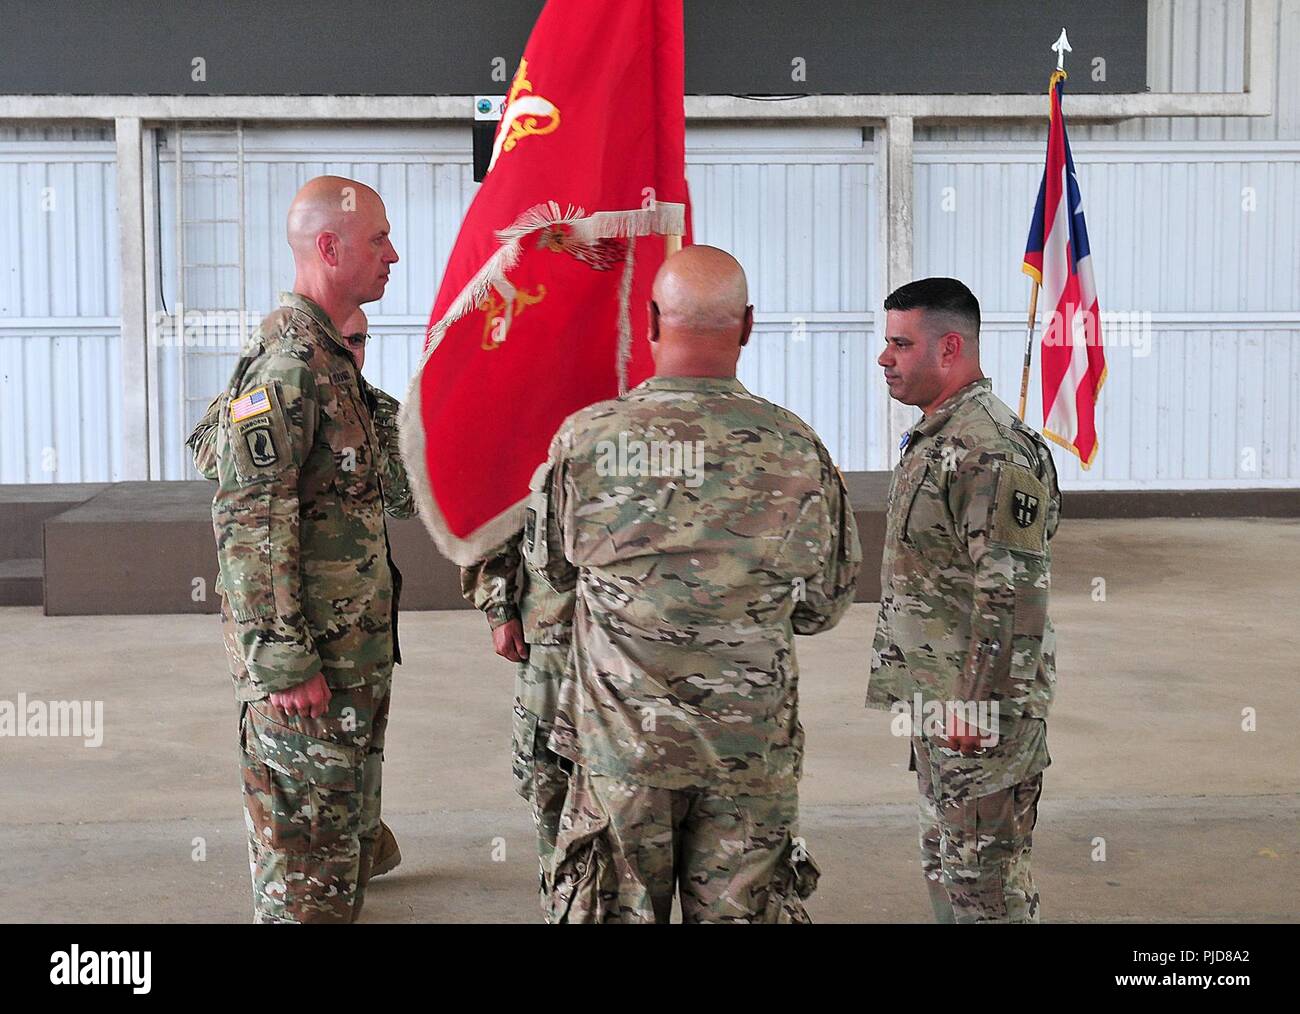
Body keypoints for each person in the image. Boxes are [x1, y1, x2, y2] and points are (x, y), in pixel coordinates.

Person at [531, 245, 861, 923]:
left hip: (625, 750)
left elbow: (555, 574)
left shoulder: (587, 440)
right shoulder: (795, 446)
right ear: (747, 325)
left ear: (650, 319)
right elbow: (824, 602)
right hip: (749, 750)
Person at [201, 175, 402, 922]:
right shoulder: (288, 369)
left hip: (347, 663)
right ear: (330, 247)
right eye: (379, 240)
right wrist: (282, 660)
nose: (393, 255)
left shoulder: (330, 361)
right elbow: (249, 520)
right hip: (307, 676)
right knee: (304, 892)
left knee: (335, 873)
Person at [867, 277, 1061, 924]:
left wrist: (977, 708)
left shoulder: (991, 449)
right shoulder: (939, 434)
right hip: (941, 705)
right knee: (949, 871)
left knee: (987, 893)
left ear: (949, 348)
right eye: (886, 341)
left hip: (978, 718)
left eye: (900, 343)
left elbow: (1014, 599)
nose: (884, 357)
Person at [460, 531, 574, 916]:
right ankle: (561, 902)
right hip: (555, 626)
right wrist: (498, 607)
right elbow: (495, 512)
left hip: (645, 637)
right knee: (549, 776)